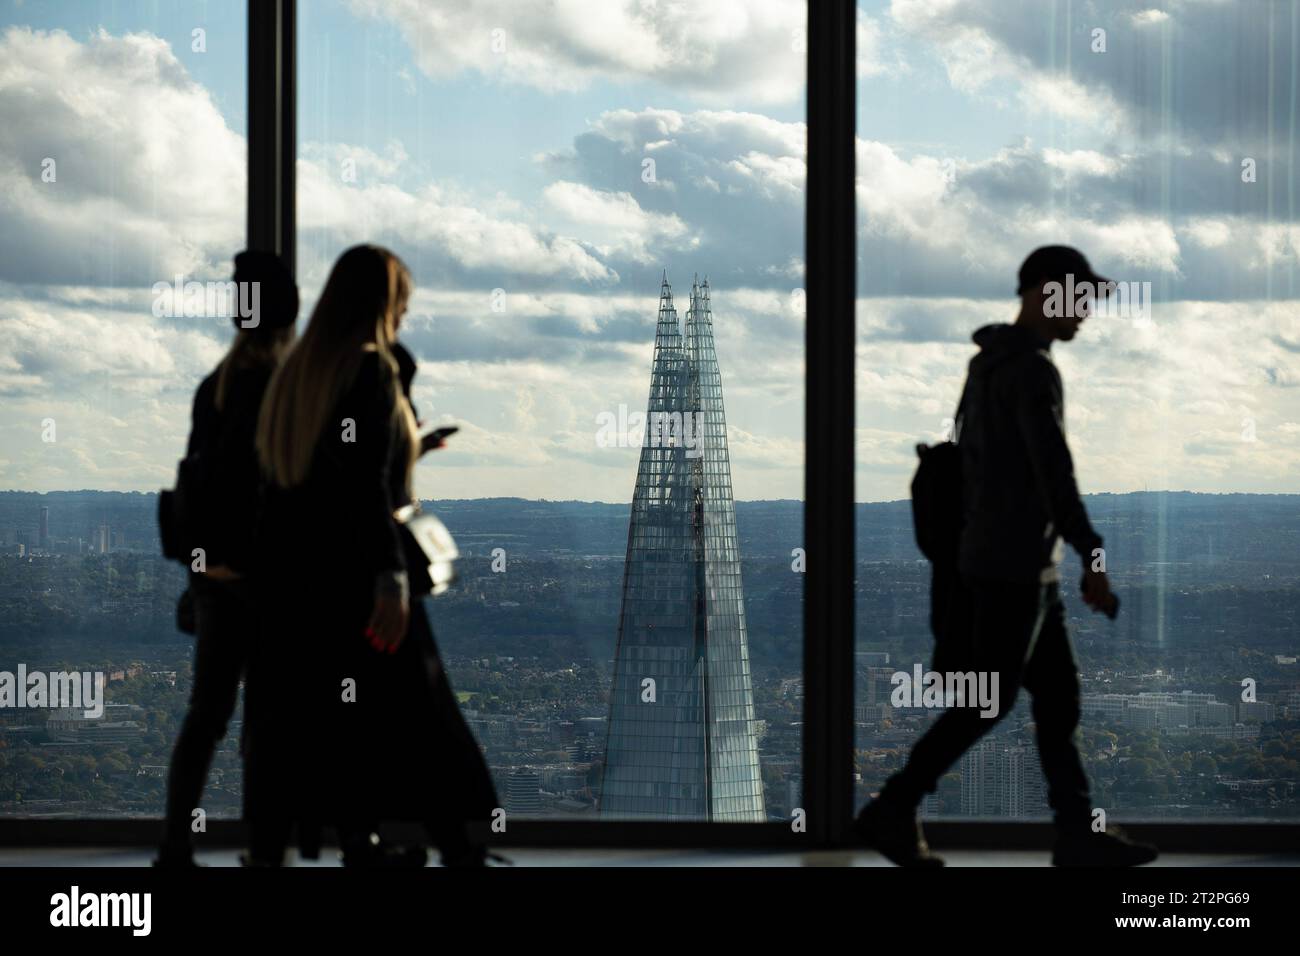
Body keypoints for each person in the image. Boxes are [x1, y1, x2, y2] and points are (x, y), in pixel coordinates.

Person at [854, 246, 1158, 868]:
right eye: (1080, 297)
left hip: (1001, 562)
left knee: (1055, 699)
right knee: (990, 702)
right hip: (1012, 566)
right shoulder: (1031, 371)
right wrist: (1092, 555)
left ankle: (1074, 833)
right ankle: (895, 807)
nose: (1086, 313)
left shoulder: (987, 364)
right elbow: (1053, 472)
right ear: (1047, 292)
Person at [245, 243, 498, 866]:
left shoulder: (297, 375)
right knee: (421, 712)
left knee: (344, 720)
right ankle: (455, 842)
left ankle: (365, 839)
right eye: (401, 305)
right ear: (382, 305)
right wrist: (389, 578)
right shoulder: (371, 370)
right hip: (362, 579)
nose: (403, 319)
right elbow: (366, 491)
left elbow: (307, 484)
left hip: (302, 586)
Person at [156, 251, 298, 867]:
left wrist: (200, 561)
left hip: (215, 579)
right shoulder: (286, 390)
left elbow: (192, 483)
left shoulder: (213, 387)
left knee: (206, 713)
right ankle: (265, 850)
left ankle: (175, 845)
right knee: (266, 722)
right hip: (271, 580)